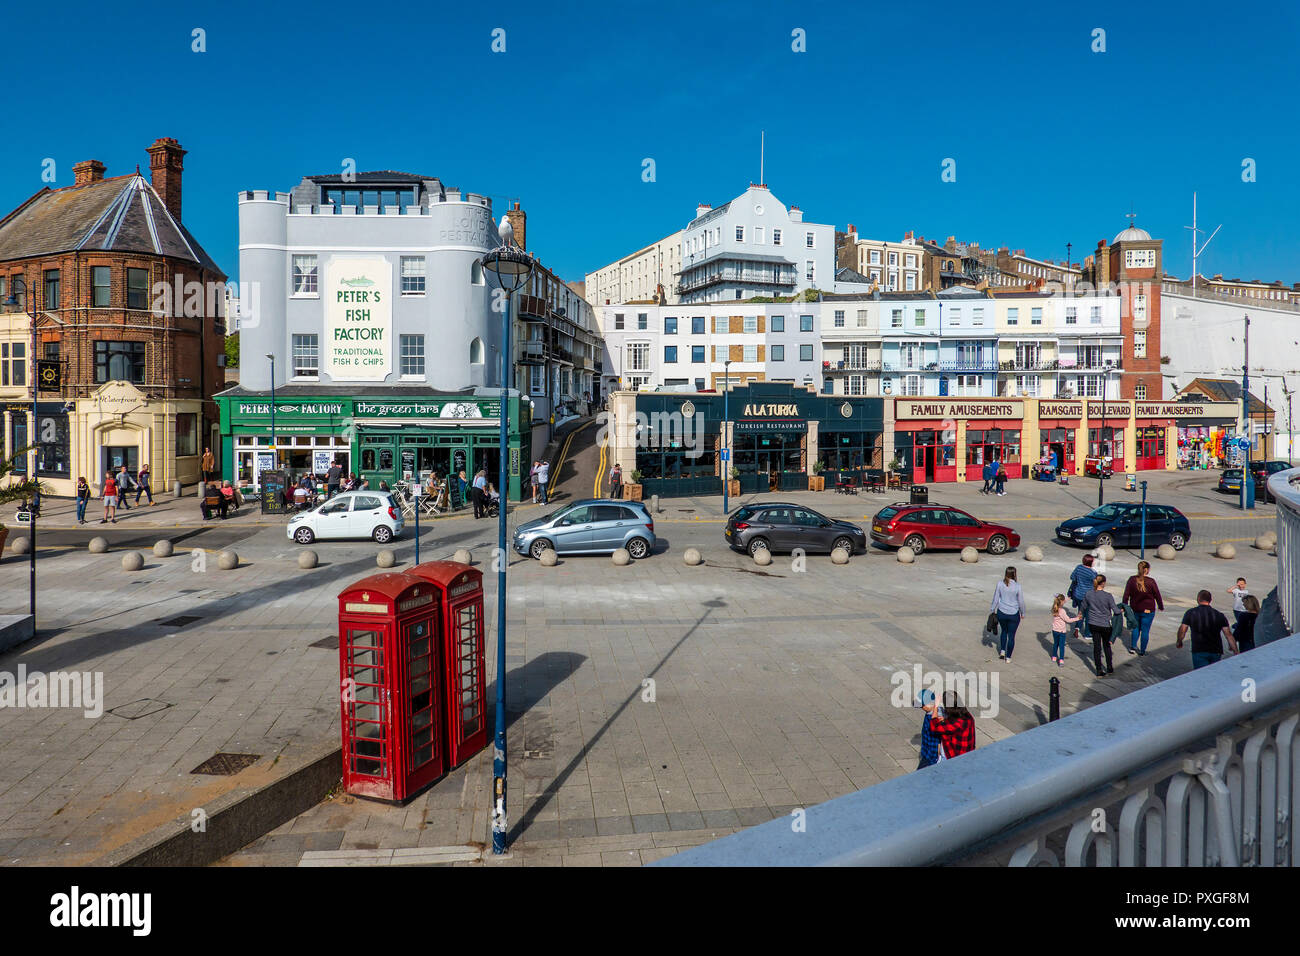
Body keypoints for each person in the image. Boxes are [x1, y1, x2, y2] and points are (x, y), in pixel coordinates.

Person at [1177, 589, 1238, 669]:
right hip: (1216, 650)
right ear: (1210, 600)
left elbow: (1183, 629)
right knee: (1213, 674)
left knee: (1201, 675)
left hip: (1199, 650)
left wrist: (1179, 641)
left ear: (1198, 599)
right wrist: (1235, 651)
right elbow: (1228, 635)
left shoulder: (1191, 613)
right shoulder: (1219, 615)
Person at [1122, 560, 1165, 656]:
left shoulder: (1132, 580)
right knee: (1145, 630)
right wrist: (1160, 606)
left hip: (1135, 609)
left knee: (1135, 628)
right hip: (1148, 610)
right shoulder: (1151, 581)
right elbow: (1157, 595)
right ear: (1147, 570)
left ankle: (1133, 647)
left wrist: (1124, 605)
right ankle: (1142, 651)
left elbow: (1126, 595)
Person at [1079, 574, 1118, 676]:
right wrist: (1122, 610)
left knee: (1097, 647)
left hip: (1093, 623)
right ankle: (1109, 667)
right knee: (1107, 646)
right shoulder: (1108, 596)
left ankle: (1098, 669)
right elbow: (1116, 611)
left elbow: (1083, 607)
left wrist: (1080, 614)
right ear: (1103, 583)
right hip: (1105, 624)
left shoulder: (1089, 594)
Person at [989, 566, 1025, 662]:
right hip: (1013, 614)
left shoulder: (1000, 584)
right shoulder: (1018, 586)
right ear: (1014, 574)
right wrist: (1023, 612)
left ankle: (1002, 651)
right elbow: (1021, 601)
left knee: (1004, 631)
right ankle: (1008, 657)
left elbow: (996, 598)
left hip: (1002, 612)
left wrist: (992, 609)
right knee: (1011, 636)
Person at [927, 691, 976, 759]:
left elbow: (934, 726)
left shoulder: (956, 724)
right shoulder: (967, 715)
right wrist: (946, 719)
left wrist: (936, 706)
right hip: (968, 752)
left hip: (954, 755)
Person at [1068, 553, 1098, 639]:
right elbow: (1096, 584)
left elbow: (1072, 577)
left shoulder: (1079, 567)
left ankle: (1077, 628)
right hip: (1088, 596)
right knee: (1088, 615)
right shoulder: (1093, 573)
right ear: (1090, 562)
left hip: (1078, 594)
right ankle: (1087, 633)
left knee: (1080, 612)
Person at [915, 689, 945, 770]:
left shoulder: (937, 717)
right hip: (927, 751)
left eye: (922, 705)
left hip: (932, 754)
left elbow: (939, 737)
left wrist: (938, 754)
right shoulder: (931, 712)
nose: (922, 708)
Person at [1050, 593, 1081, 666]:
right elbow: (1068, 620)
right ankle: (1061, 660)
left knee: (1055, 644)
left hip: (1055, 630)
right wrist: (1077, 618)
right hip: (1061, 631)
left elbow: (1060, 601)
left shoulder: (1054, 608)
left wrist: (1068, 598)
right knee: (1061, 646)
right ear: (1062, 602)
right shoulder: (1062, 611)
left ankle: (1054, 657)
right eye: (1064, 601)